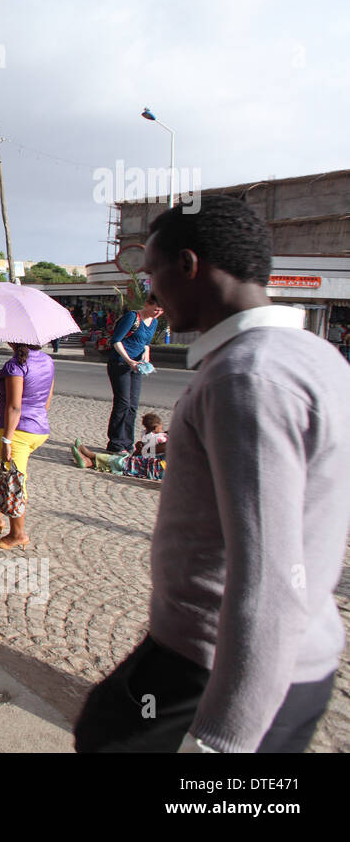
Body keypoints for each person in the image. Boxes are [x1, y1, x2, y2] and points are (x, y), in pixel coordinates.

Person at [74, 195, 350, 754]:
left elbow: (270, 579)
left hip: (220, 663)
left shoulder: (247, 379)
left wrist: (222, 742)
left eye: (153, 272)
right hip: (287, 656)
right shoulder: (315, 356)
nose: (150, 292)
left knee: (105, 737)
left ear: (189, 266)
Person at [0, 342, 54, 549]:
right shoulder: (47, 361)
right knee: (2, 471)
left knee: (13, 482)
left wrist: (8, 438)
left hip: (18, 432)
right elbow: (48, 398)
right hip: (38, 427)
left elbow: (14, 406)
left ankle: (18, 534)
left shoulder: (15, 365)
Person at [104, 296, 163, 452]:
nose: (158, 313)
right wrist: (129, 360)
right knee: (122, 403)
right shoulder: (132, 317)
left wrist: (146, 357)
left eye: (161, 311)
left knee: (132, 405)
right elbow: (116, 340)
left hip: (137, 366)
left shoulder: (154, 322)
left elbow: (145, 344)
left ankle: (127, 442)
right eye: (156, 309)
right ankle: (115, 443)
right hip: (120, 363)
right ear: (147, 304)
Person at [71, 413, 167, 480]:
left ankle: (92, 458)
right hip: (161, 464)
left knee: (129, 463)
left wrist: (144, 450)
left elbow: (167, 446)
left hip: (162, 467)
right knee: (129, 461)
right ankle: (91, 461)